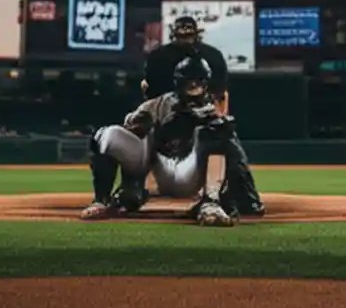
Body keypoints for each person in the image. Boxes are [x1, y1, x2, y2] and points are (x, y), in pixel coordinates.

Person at [82, 55, 257, 225]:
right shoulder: (159, 104)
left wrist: (240, 193)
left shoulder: (211, 110)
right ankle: (105, 199)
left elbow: (234, 154)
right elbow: (129, 126)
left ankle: (211, 202)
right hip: (156, 167)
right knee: (105, 136)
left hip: (188, 172)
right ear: (178, 81)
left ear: (206, 82)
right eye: (189, 81)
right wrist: (141, 124)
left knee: (217, 131)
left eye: (197, 80)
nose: (193, 85)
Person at [142, 15, 264, 215]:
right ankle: (132, 189)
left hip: (190, 123)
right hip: (165, 122)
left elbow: (220, 96)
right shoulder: (163, 62)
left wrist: (218, 120)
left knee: (221, 134)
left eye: (197, 81)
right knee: (143, 131)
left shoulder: (206, 57)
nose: (193, 85)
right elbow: (148, 92)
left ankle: (228, 196)